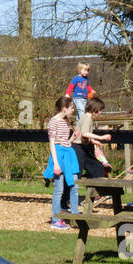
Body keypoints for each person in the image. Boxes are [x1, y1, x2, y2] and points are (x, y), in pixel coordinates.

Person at [43, 96, 79, 229]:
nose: (73, 110)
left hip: (68, 154)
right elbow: (52, 143)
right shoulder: (54, 121)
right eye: (71, 108)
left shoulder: (66, 121)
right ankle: (55, 220)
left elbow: (66, 142)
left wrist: (73, 137)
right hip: (58, 155)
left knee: (74, 186)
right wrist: (56, 164)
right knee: (59, 190)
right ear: (64, 108)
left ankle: (75, 217)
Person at [73, 96, 113, 203]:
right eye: (100, 110)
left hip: (85, 147)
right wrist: (101, 137)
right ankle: (70, 196)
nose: (100, 113)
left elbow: (85, 135)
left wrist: (93, 141)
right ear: (95, 109)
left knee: (97, 167)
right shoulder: (87, 118)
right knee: (77, 173)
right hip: (78, 149)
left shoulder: (87, 118)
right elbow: (84, 133)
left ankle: (97, 194)